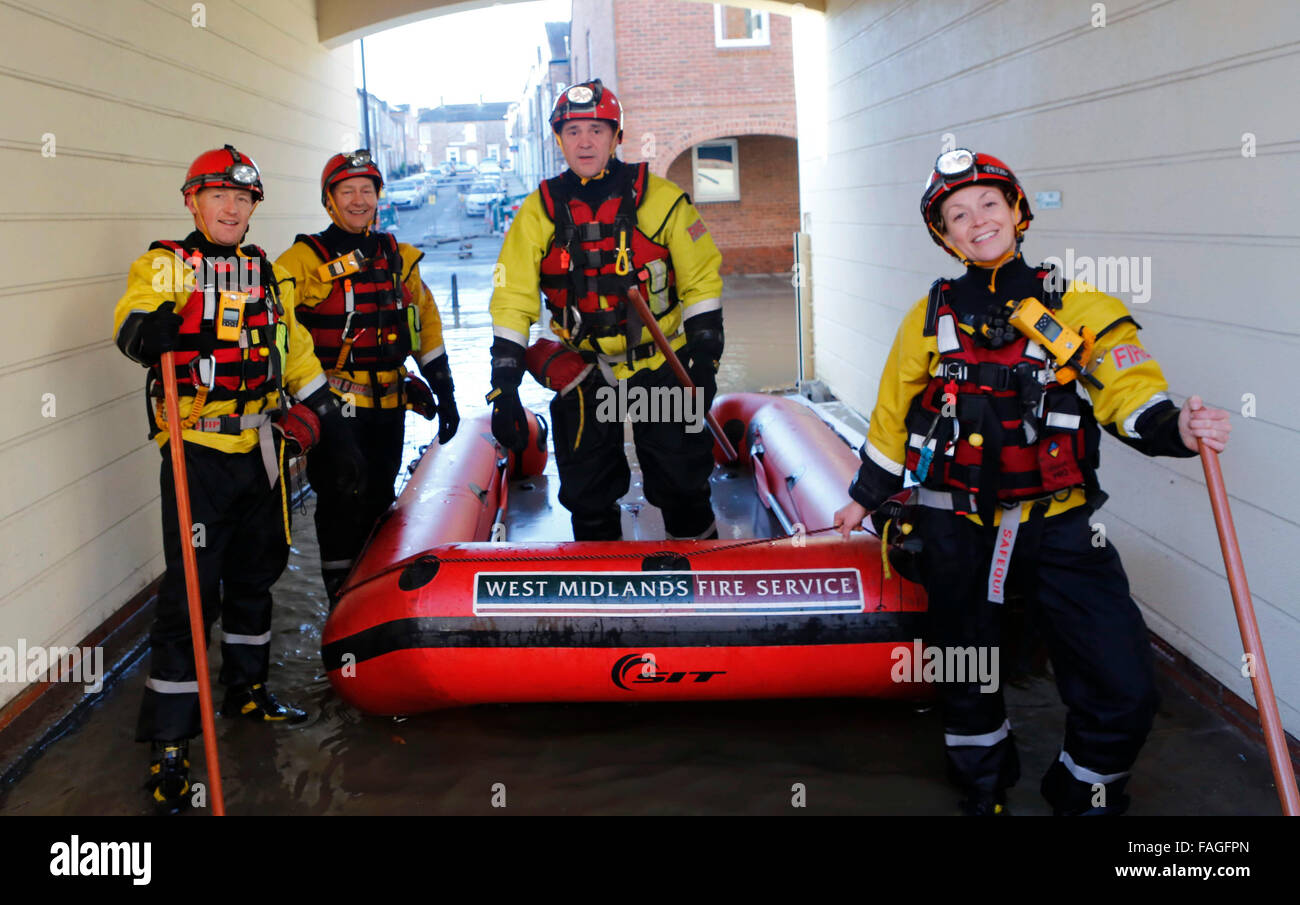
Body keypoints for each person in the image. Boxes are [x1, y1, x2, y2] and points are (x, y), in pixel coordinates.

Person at [833, 149, 1232, 816]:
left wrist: (1177, 429)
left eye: (989, 203)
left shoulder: (1080, 305)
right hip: (954, 522)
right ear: (945, 236)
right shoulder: (926, 317)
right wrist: (864, 494)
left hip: (1059, 522)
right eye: (957, 214)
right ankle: (985, 788)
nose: (976, 220)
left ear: (1018, 211)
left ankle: (1083, 791)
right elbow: (891, 416)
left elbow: (1128, 390)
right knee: (967, 673)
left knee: (1123, 680)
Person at [113, 145, 365, 813]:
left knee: (260, 570)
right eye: (216, 194)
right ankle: (171, 741)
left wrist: (332, 425)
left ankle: (246, 689)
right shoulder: (167, 263)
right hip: (198, 452)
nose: (230, 206)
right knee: (191, 593)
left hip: (262, 450)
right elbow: (130, 322)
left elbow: (300, 360)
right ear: (191, 200)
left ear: (254, 207)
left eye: (242, 197)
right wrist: (149, 333)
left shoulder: (266, 273)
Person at [487, 80, 725, 541]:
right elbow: (512, 298)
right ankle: (600, 593)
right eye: (573, 130)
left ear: (616, 136)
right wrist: (505, 386)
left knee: (682, 487)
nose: (585, 141)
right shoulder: (538, 212)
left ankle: (702, 580)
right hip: (585, 370)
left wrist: (705, 361)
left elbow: (701, 282)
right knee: (588, 493)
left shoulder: (661, 200)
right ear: (559, 139)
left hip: (660, 364)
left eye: (596, 129)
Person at [275, 150, 459, 606]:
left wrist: (446, 390)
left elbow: (426, 327)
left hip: (389, 409)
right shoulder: (301, 260)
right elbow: (276, 328)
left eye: (367, 190)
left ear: (378, 197)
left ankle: (376, 602)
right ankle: (343, 609)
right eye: (346, 191)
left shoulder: (399, 258)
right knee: (340, 504)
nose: (358, 200)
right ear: (329, 201)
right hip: (334, 412)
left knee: (379, 501)